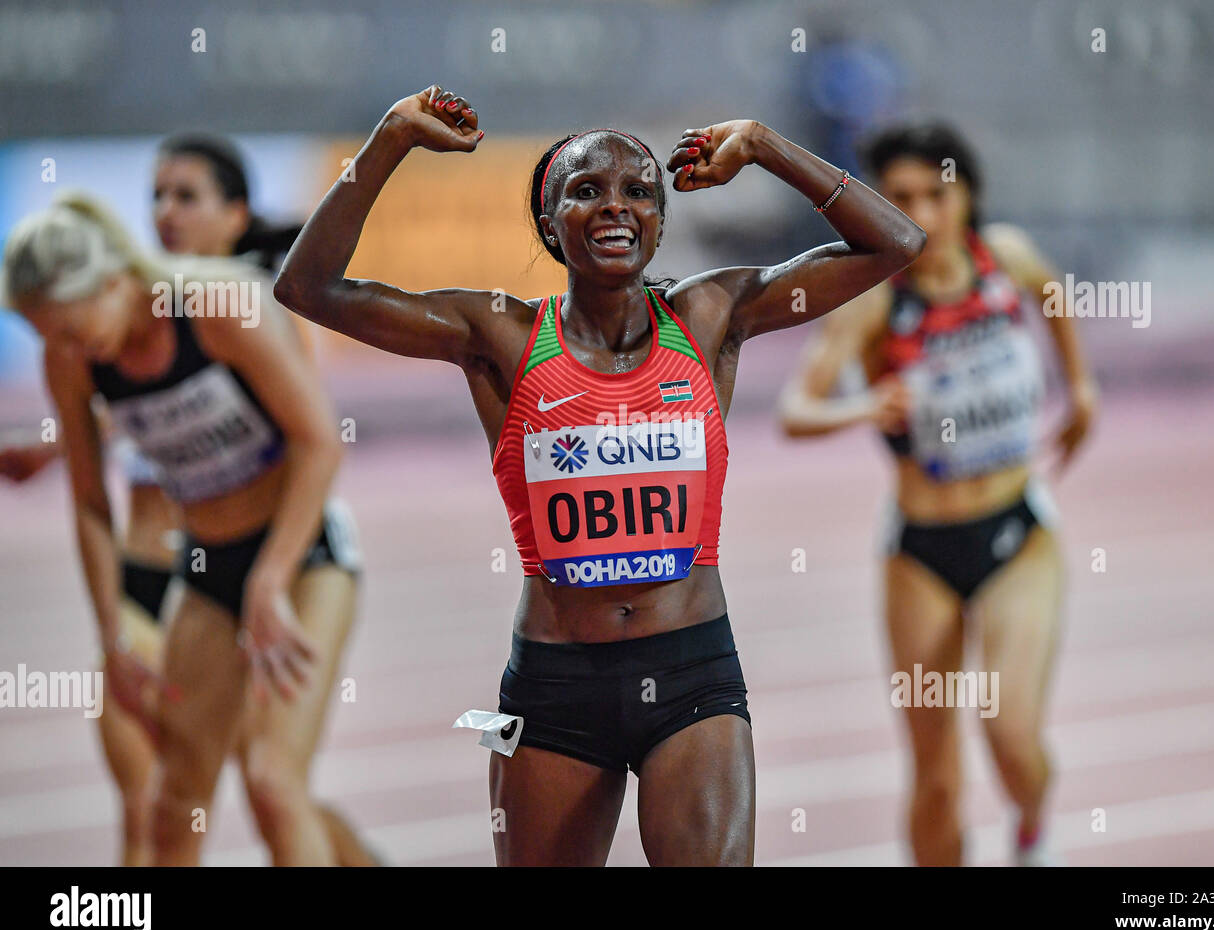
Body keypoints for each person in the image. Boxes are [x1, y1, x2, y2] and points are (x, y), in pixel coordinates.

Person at [274, 83, 925, 865]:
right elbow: (306, 289)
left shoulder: (712, 314)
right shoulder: (500, 334)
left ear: (660, 219)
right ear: (550, 225)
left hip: (691, 674)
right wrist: (388, 139)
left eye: (637, 192)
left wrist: (762, 144)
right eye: (586, 192)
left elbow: (894, 245)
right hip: (557, 688)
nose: (615, 207)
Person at [2, 192, 366, 866]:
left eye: (75, 329)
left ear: (115, 281)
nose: (67, 349)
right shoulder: (73, 357)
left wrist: (271, 577)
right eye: (48, 337)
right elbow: (88, 501)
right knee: (172, 805)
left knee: (272, 785)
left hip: (304, 557)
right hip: (205, 568)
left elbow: (320, 443)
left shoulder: (217, 309)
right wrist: (112, 631)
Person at [778, 123, 1097, 865]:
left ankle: (1030, 827)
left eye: (937, 193)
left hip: (1018, 534)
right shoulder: (874, 303)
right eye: (900, 199)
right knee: (936, 781)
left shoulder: (1005, 258)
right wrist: (864, 405)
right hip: (919, 552)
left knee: (1012, 735)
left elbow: (1054, 295)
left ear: (969, 196)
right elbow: (797, 410)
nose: (922, 212)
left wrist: (1081, 390)